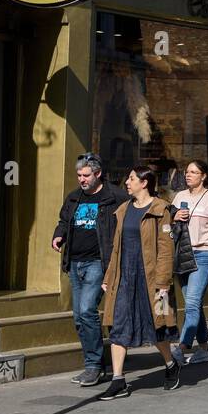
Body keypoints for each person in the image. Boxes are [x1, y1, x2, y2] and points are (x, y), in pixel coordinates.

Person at [97, 167, 180, 401]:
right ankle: (118, 380)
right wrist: (109, 278)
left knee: (158, 326)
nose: (127, 182)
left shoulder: (160, 209)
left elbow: (166, 249)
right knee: (118, 325)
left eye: (132, 179)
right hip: (124, 278)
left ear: (144, 183)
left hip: (152, 279)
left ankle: (171, 364)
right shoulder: (123, 210)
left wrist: (163, 282)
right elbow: (116, 249)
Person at [53, 153, 127, 387]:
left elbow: (137, 211)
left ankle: (94, 366)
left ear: (98, 174)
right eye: (79, 175)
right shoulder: (74, 197)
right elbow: (64, 220)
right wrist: (58, 235)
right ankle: (95, 363)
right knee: (79, 317)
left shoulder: (114, 197)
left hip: (98, 262)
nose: (82, 180)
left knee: (86, 310)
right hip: (74, 262)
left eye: (86, 175)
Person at [169, 160, 208, 366]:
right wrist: (174, 217)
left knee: (191, 302)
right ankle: (204, 349)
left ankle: (182, 347)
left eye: (193, 172)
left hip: (204, 254)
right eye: (187, 172)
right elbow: (169, 225)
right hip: (183, 254)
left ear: (204, 176)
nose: (188, 175)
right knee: (194, 304)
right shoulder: (180, 197)